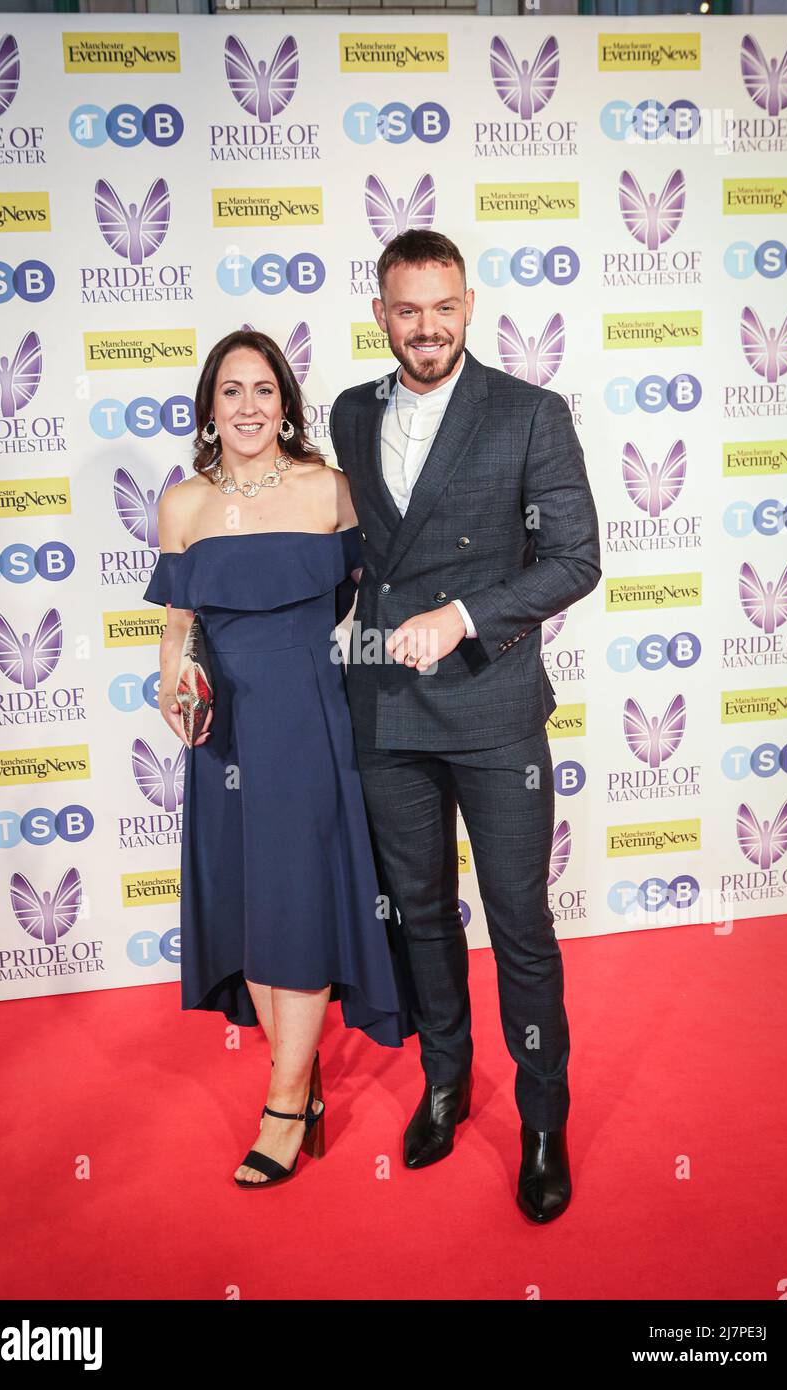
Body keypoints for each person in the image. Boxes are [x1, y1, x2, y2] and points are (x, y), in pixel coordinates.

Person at [328, 230, 601, 1223]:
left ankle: (540, 1119)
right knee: (419, 912)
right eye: (407, 308)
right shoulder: (350, 413)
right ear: (381, 314)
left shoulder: (528, 413)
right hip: (387, 709)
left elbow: (573, 558)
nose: (427, 325)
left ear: (469, 305)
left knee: (519, 923)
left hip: (489, 704)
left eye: (442, 306)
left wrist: (461, 616)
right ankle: (445, 1082)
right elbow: (363, 550)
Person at [143, 328, 406, 1190]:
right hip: (224, 731)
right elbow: (178, 632)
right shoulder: (182, 506)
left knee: (294, 906)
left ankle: (284, 1106)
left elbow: (367, 599)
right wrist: (173, 685)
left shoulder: (329, 491)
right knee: (252, 912)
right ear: (209, 409)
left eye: (264, 390)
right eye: (231, 391)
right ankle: (298, 1080)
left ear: (287, 404)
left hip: (309, 719)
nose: (249, 406)